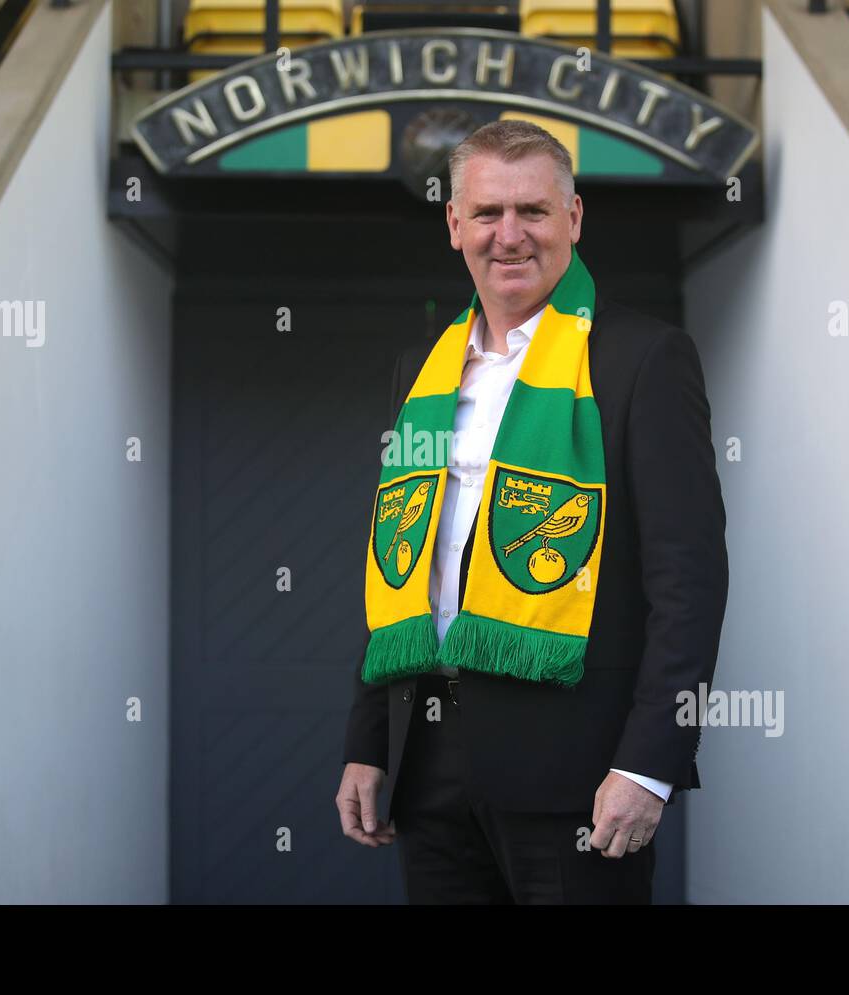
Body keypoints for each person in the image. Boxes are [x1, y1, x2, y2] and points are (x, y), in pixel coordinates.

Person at [336, 119, 728, 904]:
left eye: (534, 212)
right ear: (454, 225)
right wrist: (370, 740)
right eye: (486, 214)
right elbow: (404, 562)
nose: (508, 235)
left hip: (579, 775)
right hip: (431, 770)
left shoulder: (643, 359)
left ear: (573, 220)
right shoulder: (423, 369)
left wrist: (648, 762)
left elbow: (688, 580)